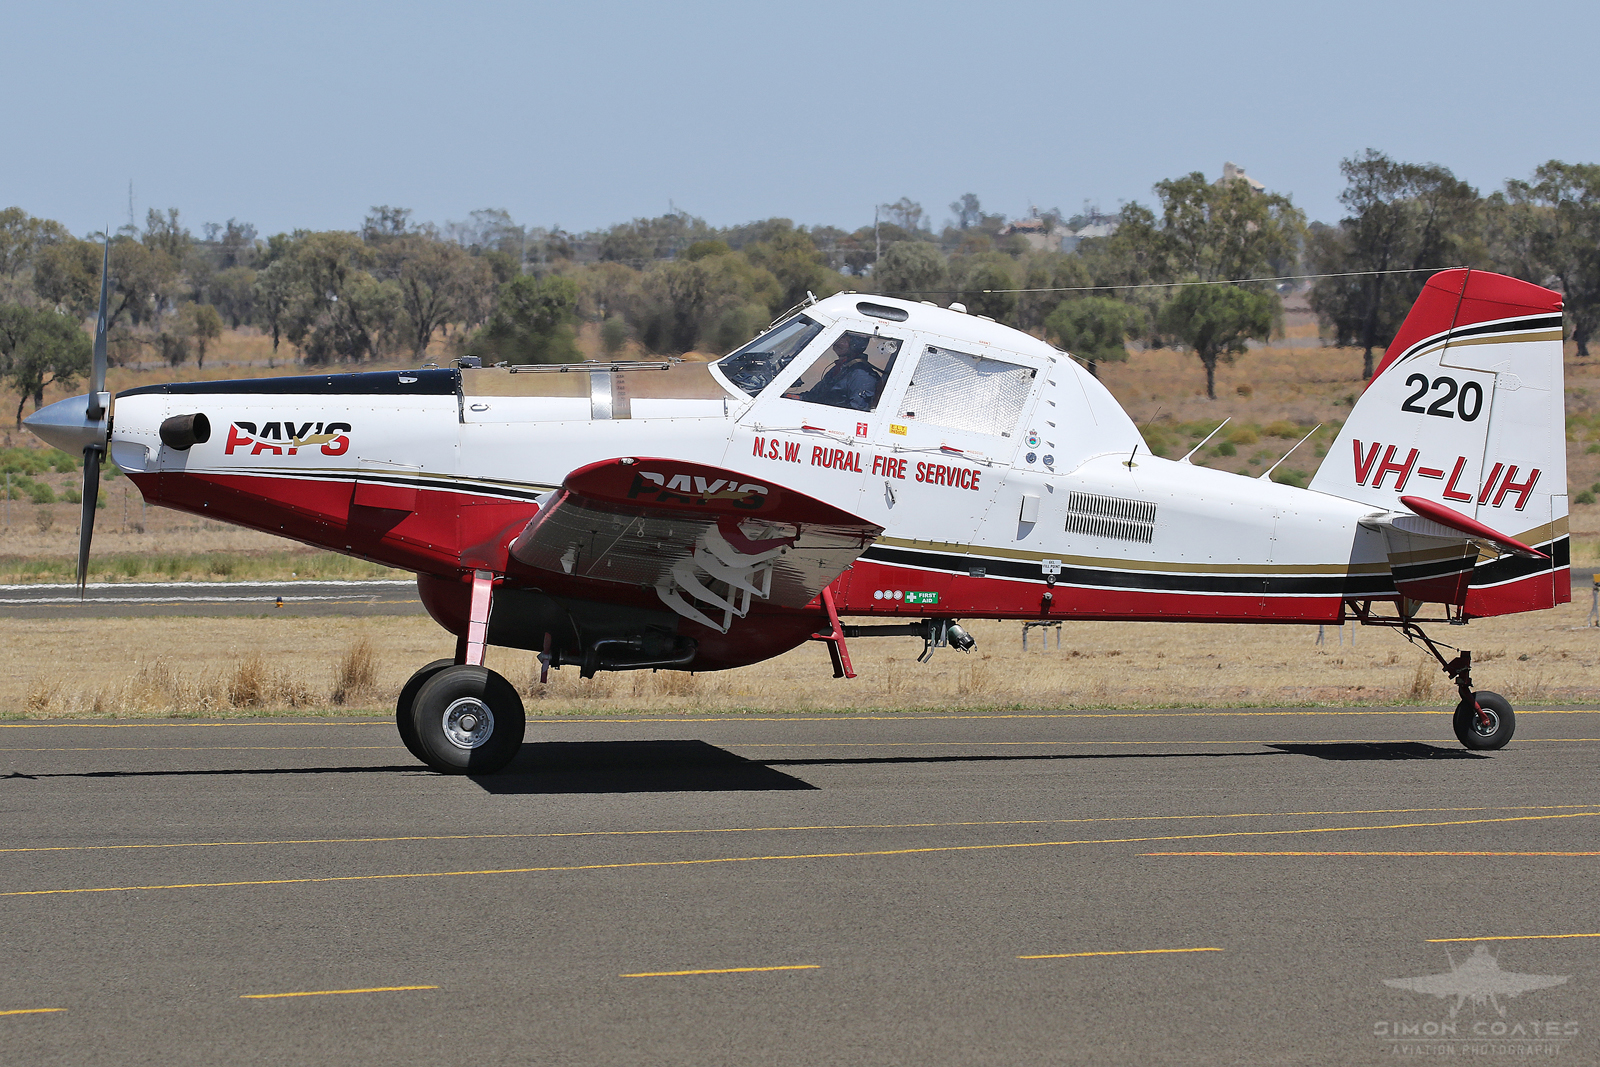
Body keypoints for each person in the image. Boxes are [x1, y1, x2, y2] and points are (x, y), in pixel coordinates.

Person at [799, 333, 883, 411]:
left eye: (844, 339)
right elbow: (815, 395)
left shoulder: (861, 375)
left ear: (856, 343)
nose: (838, 342)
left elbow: (857, 411)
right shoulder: (840, 369)